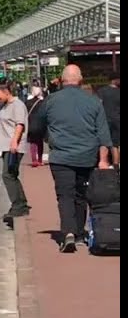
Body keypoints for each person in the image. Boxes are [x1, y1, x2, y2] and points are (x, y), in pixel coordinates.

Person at [30, 64, 114, 253]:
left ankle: (68, 233)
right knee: (81, 195)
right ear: (81, 80)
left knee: (64, 195)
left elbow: (35, 127)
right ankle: (78, 232)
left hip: (61, 157)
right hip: (87, 157)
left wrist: (46, 137)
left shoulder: (51, 101)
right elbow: (103, 135)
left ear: (61, 80)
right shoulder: (94, 101)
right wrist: (103, 160)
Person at [0, 82, 31, 224]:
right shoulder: (6, 106)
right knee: (12, 175)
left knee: (8, 175)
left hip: (13, 146)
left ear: (6, 92)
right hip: (7, 146)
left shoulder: (17, 105)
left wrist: (14, 141)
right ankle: (21, 204)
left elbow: (19, 124)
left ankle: (18, 206)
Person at [95, 74, 120, 167]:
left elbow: (98, 104)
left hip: (105, 120)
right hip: (117, 120)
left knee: (105, 142)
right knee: (115, 144)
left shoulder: (102, 91)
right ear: (113, 80)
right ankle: (116, 165)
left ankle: (108, 164)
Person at [24, 86, 47, 167]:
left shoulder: (27, 102)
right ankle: (40, 160)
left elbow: (25, 113)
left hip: (31, 124)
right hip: (41, 125)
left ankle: (34, 160)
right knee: (40, 142)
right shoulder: (44, 103)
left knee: (33, 142)